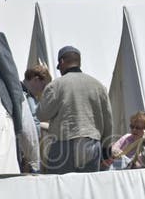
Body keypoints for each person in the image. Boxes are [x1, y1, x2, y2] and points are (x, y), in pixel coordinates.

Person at [37, 45, 113, 174]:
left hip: (64, 143)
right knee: (87, 188)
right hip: (91, 144)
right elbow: (108, 119)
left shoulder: (56, 85)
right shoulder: (98, 86)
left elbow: (42, 114)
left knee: (60, 187)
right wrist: (107, 148)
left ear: (61, 62)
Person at [21, 65, 52, 130]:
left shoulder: (31, 97)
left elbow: (35, 122)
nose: (44, 90)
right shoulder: (22, 94)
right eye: (43, 86)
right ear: (36, 80)